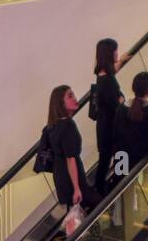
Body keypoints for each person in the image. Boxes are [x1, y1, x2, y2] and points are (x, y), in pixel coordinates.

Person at [44, 85, 96, 214]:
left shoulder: (51, 127)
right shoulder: (68, 125)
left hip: (60, 176)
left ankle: (83, 233)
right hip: (72, 177)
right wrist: (77, 187)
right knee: (97, 205)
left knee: (76, 213)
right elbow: (70, 158)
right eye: (70, 96)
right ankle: (90, 234)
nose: (75, 98)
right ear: (61, 103)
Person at [113, 71, 148, 170]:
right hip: (144, 161)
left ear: (133, 88)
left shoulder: (121, 109)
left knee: (120, 184)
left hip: (122, 159)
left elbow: (115, 136)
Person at [91, 38, 126, 198]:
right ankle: (119, 182)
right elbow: (117, 102)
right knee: (119, 153)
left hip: (104, 125)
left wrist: (122, 61)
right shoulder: (108, 81)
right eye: (115, 51)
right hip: (111, 127)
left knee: (106, 159)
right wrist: (121, 99)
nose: (117, 53)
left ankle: (103, 187)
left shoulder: (102, 75)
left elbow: (112, 75)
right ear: (108, 54)